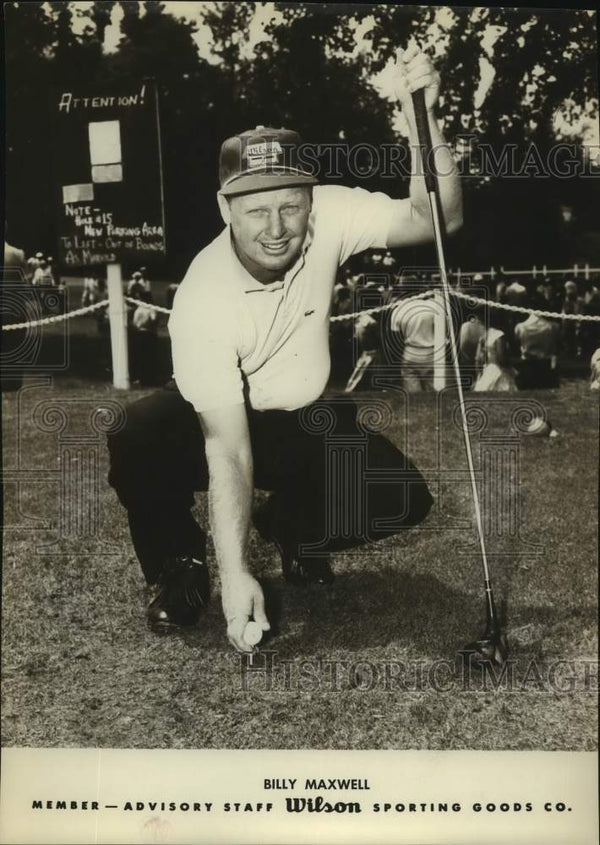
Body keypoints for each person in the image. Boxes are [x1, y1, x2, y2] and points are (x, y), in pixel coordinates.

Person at [107, 44, 463, 652]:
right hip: (213, 422)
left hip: (299, 420)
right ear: (225, 209)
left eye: (290, 206)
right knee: (136, 431)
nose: (276, 229)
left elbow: (437, 221)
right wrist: (237, 571)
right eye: (256, 210)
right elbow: (228, 449)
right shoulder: (204, 296)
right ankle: (179, 566)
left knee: (400, 496)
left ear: (310, 200)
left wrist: (422, 123)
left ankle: (296, 530)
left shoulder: (331, 215)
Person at [390, 293, 440, 392]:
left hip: (410, 352)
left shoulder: (399, 310)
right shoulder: (434, 306)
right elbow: (442, 331)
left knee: (413, 394)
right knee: (433, 392)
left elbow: (396, 338)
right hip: (431, 352)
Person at [514, 301, 560, 389]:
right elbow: (557, 346)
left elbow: (516, 344)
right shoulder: (553, 327)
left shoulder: (520, 327)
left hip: (527, 366)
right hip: (545, 366)